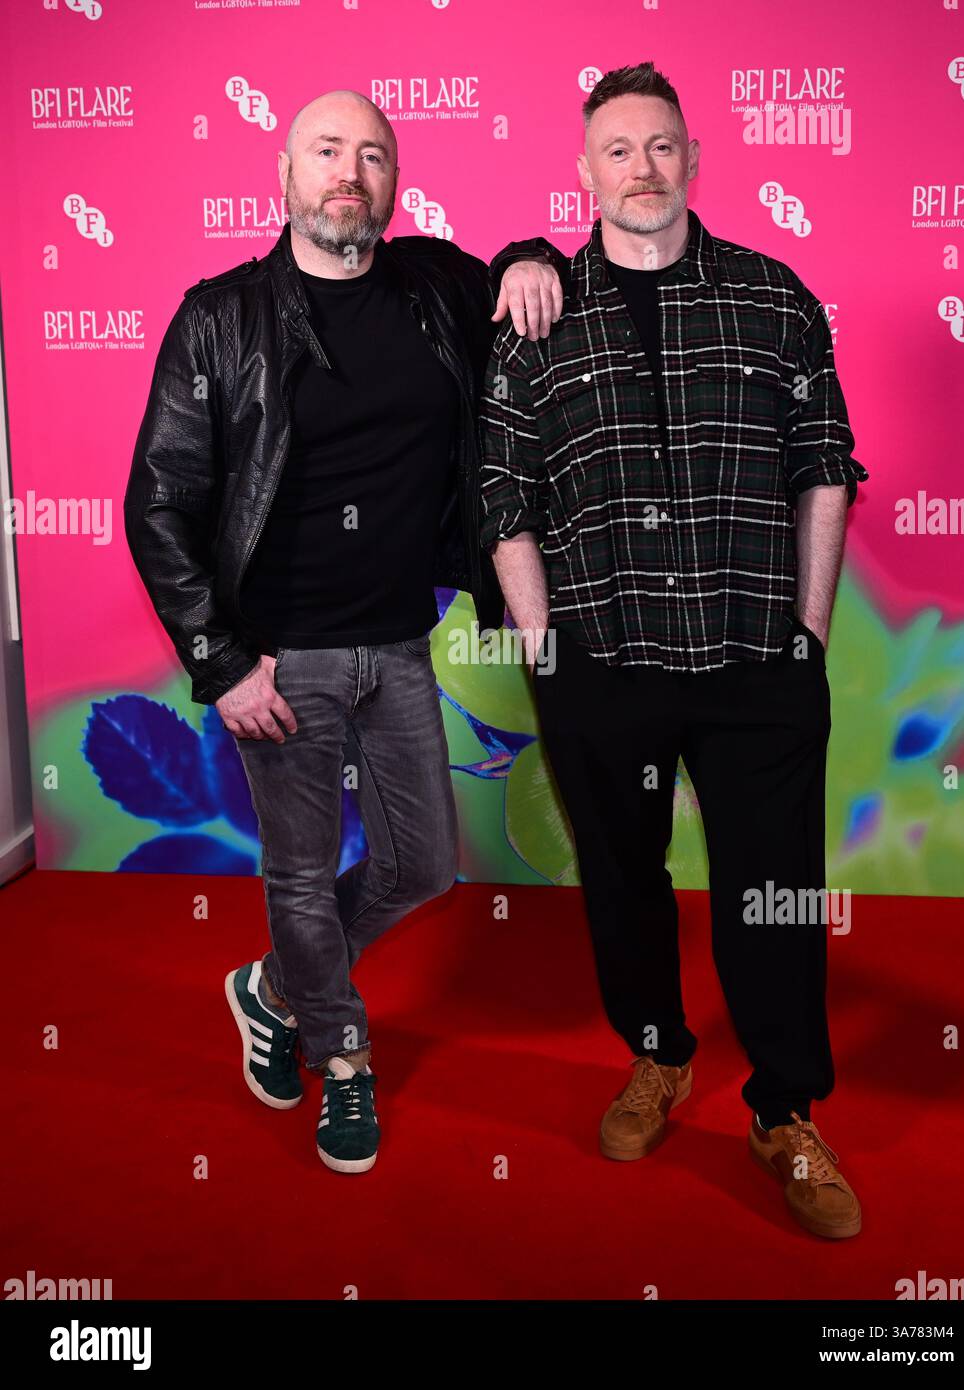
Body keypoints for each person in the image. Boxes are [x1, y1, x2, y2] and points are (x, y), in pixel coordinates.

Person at [125, 88, 567, 1175]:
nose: (348, 172)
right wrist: (218, 661)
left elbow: (518, 277)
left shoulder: (432, 286)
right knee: (304, 876)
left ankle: (271, 989)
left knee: (423, 866)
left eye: (372, 155)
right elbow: (156, 501)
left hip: (399, 642)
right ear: (283, 172)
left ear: (393, 182)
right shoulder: (219, 318)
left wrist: (526, 251)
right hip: (279, 655)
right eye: (326, 150)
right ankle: (346, 1059)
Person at [480, 61, 869, 1239]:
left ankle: (784, 1108)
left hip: (757, 656)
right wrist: (548, 652)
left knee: (774, 892)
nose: (640, 167)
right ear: (583, 170)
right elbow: (502, 496)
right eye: (616, 149)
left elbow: (822, 468)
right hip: (600, 664)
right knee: (622, 884)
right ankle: (656, 1054)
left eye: (660, 146)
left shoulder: (772, 296)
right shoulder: (535, 317)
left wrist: (805, 636)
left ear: (691, 160)